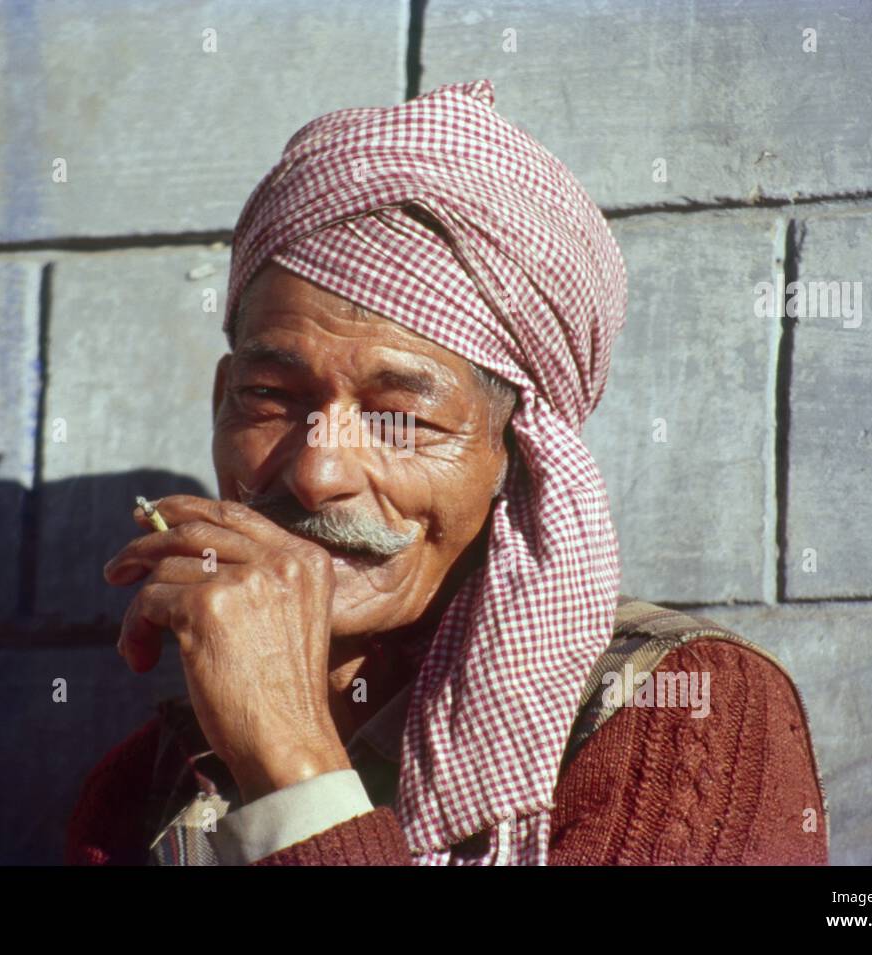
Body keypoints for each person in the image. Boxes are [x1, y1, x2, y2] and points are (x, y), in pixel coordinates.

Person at [66, 78, 828, 866]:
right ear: (223, 400)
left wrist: (289, 764)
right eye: (270, 397)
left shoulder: (683, 709)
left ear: (520, 454)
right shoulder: (143, 788)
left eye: (401, 419)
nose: (318, 471)